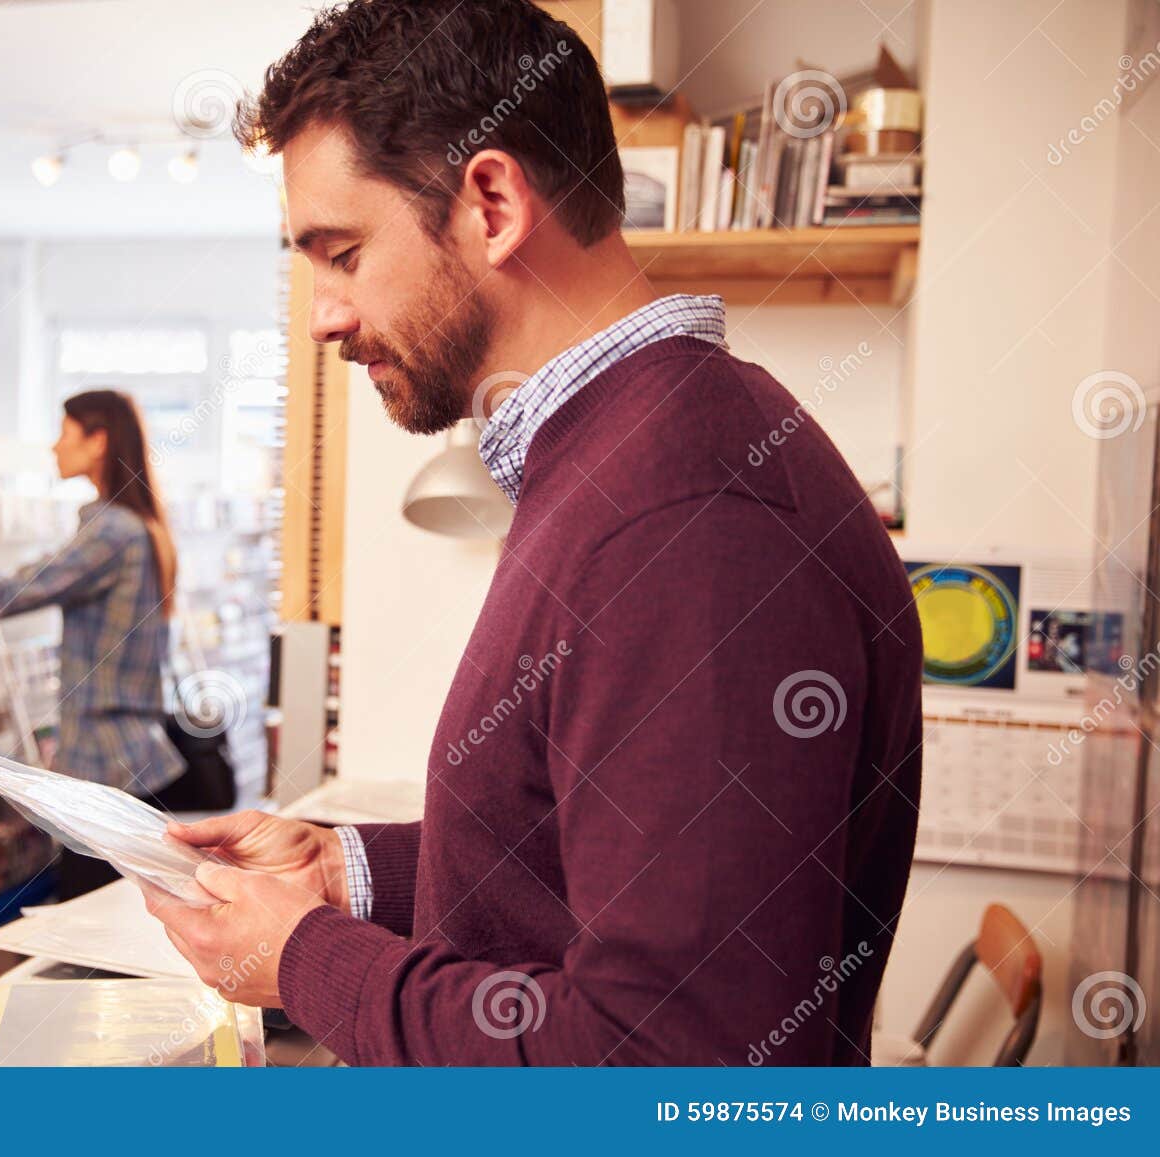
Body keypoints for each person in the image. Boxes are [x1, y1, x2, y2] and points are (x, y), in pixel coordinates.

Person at [145, 0, 923, 1065]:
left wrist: (306, 957)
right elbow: (597, 863)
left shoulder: (688, 514)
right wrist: (343, 872)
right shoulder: (635, 453)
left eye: (341, 252)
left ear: (495, 203)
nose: (323, 315)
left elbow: (670, 1057)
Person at [0, 389, 186, 897]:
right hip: (130, 764)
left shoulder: (112, 531)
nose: (53, 448)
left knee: (91, 929)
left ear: (98, 442)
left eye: (64, 434)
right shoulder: (138, 525)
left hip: (104, 773)